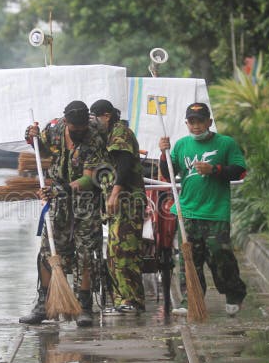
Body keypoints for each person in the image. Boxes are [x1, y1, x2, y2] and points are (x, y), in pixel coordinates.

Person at [20, 100, 107, 327]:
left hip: (84, 200)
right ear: (66, 122)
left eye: (82, 128)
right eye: (74, 128)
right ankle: (43, 305)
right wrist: (32, 137)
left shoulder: (94, 138)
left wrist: (63, 189)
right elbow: (41, 149)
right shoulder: (55, 130)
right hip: (58, 201)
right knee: (48, 252)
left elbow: (89, 178)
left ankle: (84, 306)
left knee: (85, 253)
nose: (79, 132)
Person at [158, 102, 247, 316]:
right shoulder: (180, 145)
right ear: (187, 123)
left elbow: (239, 171)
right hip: (188, 211)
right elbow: (168, 175)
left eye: (200, 121)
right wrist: (164, 154)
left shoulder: (225, 144)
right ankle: (191, 299)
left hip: (215, 211)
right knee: (190, 258)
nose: (196, 126)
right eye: (191, 122)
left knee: (219, 255)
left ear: (209, 122)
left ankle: (234, 292)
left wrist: (214, 169)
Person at [90, 99, 147, 314]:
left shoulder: (120, 132)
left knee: (124, 251)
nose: (94, 122)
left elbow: (124, 163)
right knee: (113, 252)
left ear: (106, 115)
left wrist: (114, 193)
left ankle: (132, 300)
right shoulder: (105, 135)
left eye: (96, 117)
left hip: (128, 201)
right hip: (117, 204)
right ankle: (122, 299)